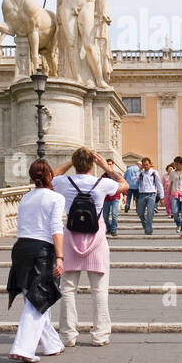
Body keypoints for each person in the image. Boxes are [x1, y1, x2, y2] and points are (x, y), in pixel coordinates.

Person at [52, 148, 126, 347]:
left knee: (67, 289)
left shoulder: (63, 183)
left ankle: (68, 335)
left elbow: (53, 175)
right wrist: (106, 167)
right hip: (97, 241)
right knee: (99, 290)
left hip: (70, 239)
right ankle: (100, 335)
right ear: (92, 165)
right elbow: (125, 184)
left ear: (75, 163)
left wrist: (69, 162)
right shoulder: (103, 184)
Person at [6, 159, 66, 362]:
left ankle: (52, 344)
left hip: (21, 248)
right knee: (38, 299)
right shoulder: (56, 198)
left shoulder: (25, 198)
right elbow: (56, 229)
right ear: (50, 176)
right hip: (42, 250)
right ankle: (23, 348)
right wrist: (59, 257)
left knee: (34, 296)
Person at [130, 157, 164, 235]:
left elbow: (159, 185)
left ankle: (148, 230)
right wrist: (139, 170)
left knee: (150, 212)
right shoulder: (141, 173)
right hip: (142, 194)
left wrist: (161, 197)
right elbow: (133, 179)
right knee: (140, 212)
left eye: (147, 164)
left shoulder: (154, 173)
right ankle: (145, 225)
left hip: (151, 194)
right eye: (144, 165)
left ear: (150, 164)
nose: (145, 166)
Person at [102, 158, 122, 237]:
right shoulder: (103, 176)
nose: (109, 166)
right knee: (105, 216)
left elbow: (122, 184)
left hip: (115, 197)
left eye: (111, 164)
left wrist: (125, 195)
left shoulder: (118, 175)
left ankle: (114, 230)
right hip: (106, 198)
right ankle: (109, 228)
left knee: (114, 214)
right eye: (108, 164)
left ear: (113, 165)